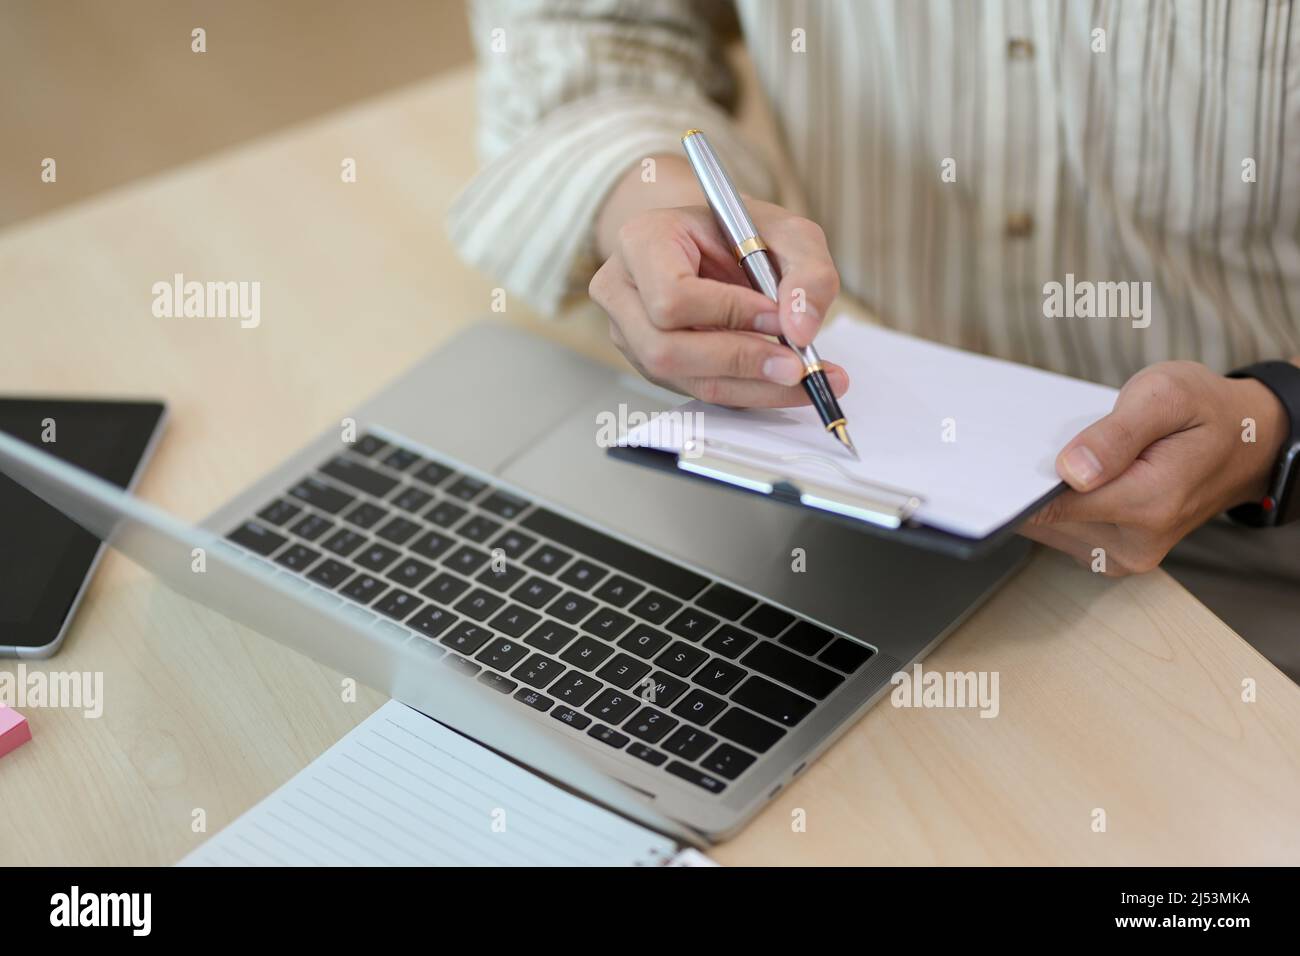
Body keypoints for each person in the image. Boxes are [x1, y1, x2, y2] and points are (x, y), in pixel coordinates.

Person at [449, 0, 1300, 678]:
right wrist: (654, 212)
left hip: (1253, 572)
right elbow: (589, 29)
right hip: (853, 529)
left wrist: (1279, 426)